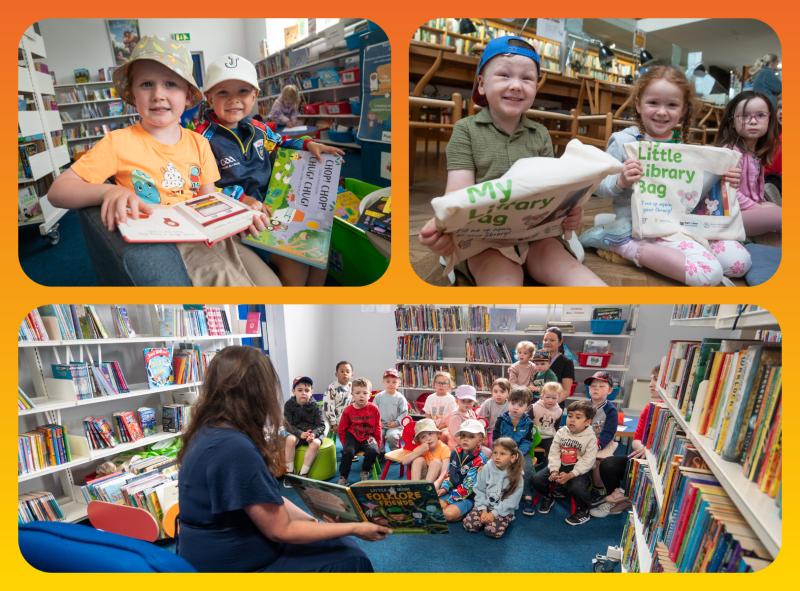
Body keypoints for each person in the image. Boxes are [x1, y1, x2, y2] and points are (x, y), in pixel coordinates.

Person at [47, 37, 281, 287]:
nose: (158, 95)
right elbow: (58, 191)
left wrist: (242, 213)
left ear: (188, 96)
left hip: (212, 236)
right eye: (147, 84)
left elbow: (210, 198)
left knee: (272, 285)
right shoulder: (118, 142)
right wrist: (108, 191)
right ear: (132, 94)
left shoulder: (199, 143)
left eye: (171, 84)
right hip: (173, 243)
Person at [177, 346, 388, 572]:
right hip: (231, 560)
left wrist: (314, 522)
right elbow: (281, 529)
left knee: (337, 543)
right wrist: (355, 528)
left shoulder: (208, 431)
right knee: (352, 557)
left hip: (203, 549)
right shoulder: (235, 447)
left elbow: (266, 498)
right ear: (257, 391)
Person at [417, 36, 605, 287]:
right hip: (485, 242)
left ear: (536, 87)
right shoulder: (466, 130)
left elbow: (554, 190)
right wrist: (443, 229)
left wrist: (570, 213)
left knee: (571, 271)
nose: (516, 85)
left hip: (537, 236)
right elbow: (457, 197)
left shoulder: (540, 134)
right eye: (504, 75)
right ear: (481, 85)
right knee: (500, 278)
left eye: (527, 78)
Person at [581, 65, 752, 286]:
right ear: (638, 105)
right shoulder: (625, 142)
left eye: (672, 105)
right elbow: (598, 185)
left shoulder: (682, 149)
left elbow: (695, 193)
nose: (662, 112)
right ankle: (619, 243)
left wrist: (724, 182)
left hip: (681, 224)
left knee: (738, 263)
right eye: (653, 103)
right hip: (637, 226)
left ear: (683, 110)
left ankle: (615, 231)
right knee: (708, 274)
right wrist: (620, 180)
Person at [197, 54, 344, 286]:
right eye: (223, 92)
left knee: (318, 256)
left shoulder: (259, 129)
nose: (233, 99)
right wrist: (242, 198)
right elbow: (201, 189)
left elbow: (282, 141)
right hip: (238, 219)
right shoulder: (201, 139)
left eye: (243, 92)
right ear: (209, 97)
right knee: (295, 263)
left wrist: (308, 143)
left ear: (255, 95)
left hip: (274, 208)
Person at [591, 365, 661, 518]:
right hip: (642, 454)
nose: (650, 384)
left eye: (655, 379)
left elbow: (608, 433)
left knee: (613, 462)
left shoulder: (610, 410)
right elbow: (636, 440)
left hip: (656, 460)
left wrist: (649, 451)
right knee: (608, 464)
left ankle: (620, 495)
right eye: (651, 380)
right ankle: (617, 497)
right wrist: (644, 448)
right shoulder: (649, 408)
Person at [716, 91, 781, 236]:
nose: (752, 121)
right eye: (744, 116)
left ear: (769, 119)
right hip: (729, 215)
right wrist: (758, 208)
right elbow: (729, 193)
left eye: (760, 115)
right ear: (732, 122)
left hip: (748, 208)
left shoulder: (756, 152)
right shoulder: (731, 152)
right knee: (781, 216)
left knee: (777, 210)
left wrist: (762, 204)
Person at [530, 400, 598, 526]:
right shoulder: (561, 432)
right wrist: (554, 470)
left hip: (578, 469)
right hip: (560, 464)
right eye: (570, 416)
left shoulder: (591, 437)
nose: (572, 420)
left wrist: (571, 475)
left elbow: (588, 460)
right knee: (536, 479)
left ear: (588, 421)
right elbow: (554, 452)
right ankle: (549, 496)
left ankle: (584, 510)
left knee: (576, 487)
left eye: (578, 417)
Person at [462, 437, 524, 538]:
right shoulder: (487, 467)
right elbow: (479, 490)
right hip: (485, 506)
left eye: (502, 454)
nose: (497, 457)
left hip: (503, 510)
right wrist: (483, 510)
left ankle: (502, 520)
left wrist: (494, 514)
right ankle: (484, 517)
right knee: (470, 525)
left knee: (492, 532)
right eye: (495, 453)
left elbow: (511, 502)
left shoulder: (517, 476)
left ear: (513, 457)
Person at [493, 387, 536, 515]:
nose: (515, 407)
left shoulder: (528, 423)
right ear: (508, 402)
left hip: (520, 452)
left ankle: (527, 493)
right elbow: (495, 438)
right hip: (502, 451)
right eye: (513, 403)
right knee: (494, 467)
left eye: (520, 405)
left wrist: (518, 453)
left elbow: (528, 441)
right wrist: (501, 451)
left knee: (527, 468)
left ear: (527, 407)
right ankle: (498, 493)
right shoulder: (501, 419)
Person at [437, 419, 489, 522]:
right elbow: (450, 475)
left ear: (480, 440)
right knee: (431, 507)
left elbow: (469, 487)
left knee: (447, 514)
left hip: (469, 497)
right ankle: (455, 510)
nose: (465, 439)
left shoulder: (480, 460)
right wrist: (444, 488)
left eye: (471, 436)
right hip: (453, 492)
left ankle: (466, 512)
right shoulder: (455, 452)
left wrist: (448, 500)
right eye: (463, 436)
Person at [337, 378, 382, 485]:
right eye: (357, 393)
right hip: (352, 436)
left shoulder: (374, 409)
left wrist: (378, 443)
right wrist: (345, 444)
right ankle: (343, 476)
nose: (361, 395)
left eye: (364, 393)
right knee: (348, 452)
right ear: (352, 394)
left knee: (373, 450)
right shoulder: (348, 410)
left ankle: (365, 470)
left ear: (370, 395)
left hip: (368, 436)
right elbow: (342, 429)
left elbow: (378, 427)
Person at [584, 371, 619, 505]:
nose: (596, 388)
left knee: (598, 461)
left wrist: (598, 445)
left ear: (609, 390)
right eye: (593, 386)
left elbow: (609, 432)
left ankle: (598, 489)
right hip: (584, 439)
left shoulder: (610, 410)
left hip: (602, 442)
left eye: (601, 386)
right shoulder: (584, 406)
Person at [282, 376, 324, 484]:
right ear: (293, 391)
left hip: (312, 433)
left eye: (307, 390)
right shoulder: (289, 405)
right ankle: (290, 472)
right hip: (296, 432)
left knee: (315, 443)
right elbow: (288, 425)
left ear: (311, 392)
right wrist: (300, 434)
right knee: (290, 439)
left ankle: (303, 473)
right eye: (300, 390)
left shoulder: (315, 406)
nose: (303, 393)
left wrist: (314, 434)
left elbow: (321, 425)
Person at [396, 418, 450, 486]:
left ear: (437, 434)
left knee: (435, 462)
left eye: (430, 433)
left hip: (437, 481)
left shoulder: (444, 448)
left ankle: (426, 488)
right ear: (420, 441)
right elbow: (404, 462)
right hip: (424, 478)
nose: (428, 438)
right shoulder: (422, 448)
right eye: (423, 437)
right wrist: (418, 452)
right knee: (418, 460)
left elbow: (445, 471)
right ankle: (415, 486)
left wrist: (438, 483)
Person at [373, 368, 408, 452]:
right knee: (378, 435)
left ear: (399, 383)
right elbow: (373, 411)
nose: (391, 384)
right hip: (381, 424)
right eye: (388, 381)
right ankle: (380, 452)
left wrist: (396, 422)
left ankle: (394, 452)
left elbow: (404, 413)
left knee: (391, 436)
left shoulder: (400, 398)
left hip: (396, 425)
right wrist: (378, 422)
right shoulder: (379, 396)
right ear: (383, 382)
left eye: (394, 382)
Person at [531, 382, 564, 466]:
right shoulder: (534, 407)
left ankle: (548, 467)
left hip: (548, 437)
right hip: (534, 435)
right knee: (526, 446)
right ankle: (530, 464)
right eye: (548, 397)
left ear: (558, 398)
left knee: (554, 449)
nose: (550, 400)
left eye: (554, 398)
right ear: (542, 396)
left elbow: (556, 427)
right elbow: (527, 421)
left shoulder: (559, 411)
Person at [541, 327, 575, 404]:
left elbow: (566, 391)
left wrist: (549, 404)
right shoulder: (538, 357)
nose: (547, 342)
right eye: (545, 340)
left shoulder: (567, 362)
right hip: (535, 404)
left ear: (560, 342)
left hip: (554, 405)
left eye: (552, 340)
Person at [323, 361, 352, 437]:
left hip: (343, 415)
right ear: (336, 374)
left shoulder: (352, 386)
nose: (345, 373)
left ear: (351, 375)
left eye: (347, 371)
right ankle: (321, 441)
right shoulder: (332, 388)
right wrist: (334, 424)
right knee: (324, 428)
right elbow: (328, 407)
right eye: (342, 371)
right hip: (329, 414)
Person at [477, 377, 511, 443]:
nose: (498, 394)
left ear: (508, 393)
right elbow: (481, 420)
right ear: (491, 392)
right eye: (495, 391)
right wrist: (483, 435)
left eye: (502, 392)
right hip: (491, 432)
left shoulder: (510, 405)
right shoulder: (488, 403)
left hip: (506, 433)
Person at [446, 384, 479, 449]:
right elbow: (457, 437)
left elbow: (476, 428)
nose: (466, 404)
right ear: (456, 400)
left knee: (487, 452)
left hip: (470, 442)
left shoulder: (471, 412)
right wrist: (472, 444)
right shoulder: (455, 417)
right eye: (463, 401)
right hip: (458, 447)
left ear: (474, 402)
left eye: (469, 401)